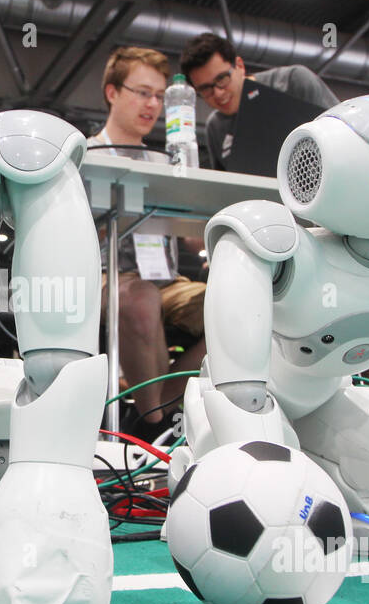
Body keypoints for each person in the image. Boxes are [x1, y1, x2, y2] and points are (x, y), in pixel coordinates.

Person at [88, 46, 205, 439]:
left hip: (167, 279)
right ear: (112, 92)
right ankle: (154, 419)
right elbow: (69, 236)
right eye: (142, 92)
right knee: (139, 297)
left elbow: (191, 241)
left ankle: (159, 406)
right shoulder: (86, 155)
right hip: (104, 277)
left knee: (242, 304)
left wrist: (197, 197)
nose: (152, 104)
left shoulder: (166, 161)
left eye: (159, 96)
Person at [180, 32, 339, 171]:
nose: (218, 93)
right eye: (205, 89)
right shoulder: (215, 127)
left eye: (222, 78)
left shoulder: (292, 82)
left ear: (240, 66)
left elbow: (344, 132)